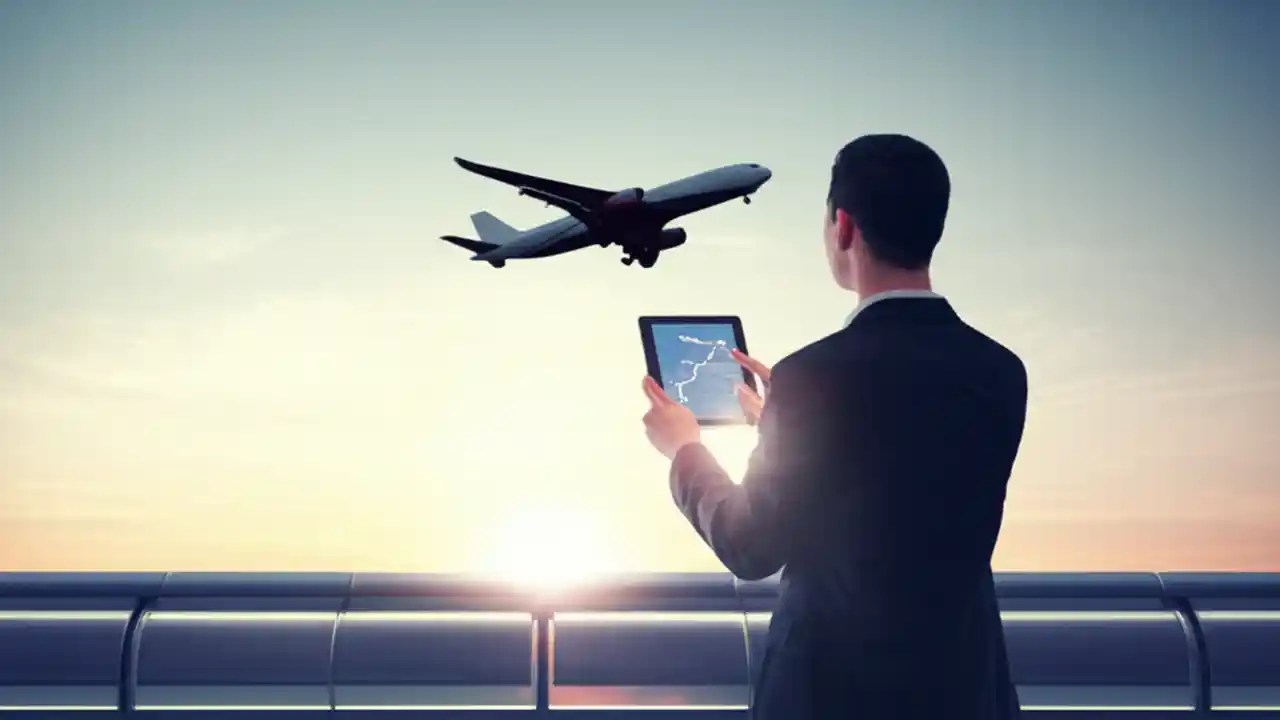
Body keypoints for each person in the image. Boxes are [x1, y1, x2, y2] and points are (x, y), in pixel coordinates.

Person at [641, 133, 1027, 719]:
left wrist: (686, 449)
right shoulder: (1000, 370)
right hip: (963, 693)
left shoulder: (810, 377)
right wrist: (785, 424)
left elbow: (750, 545)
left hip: (831, 697)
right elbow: (905, 485)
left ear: (842, 226)